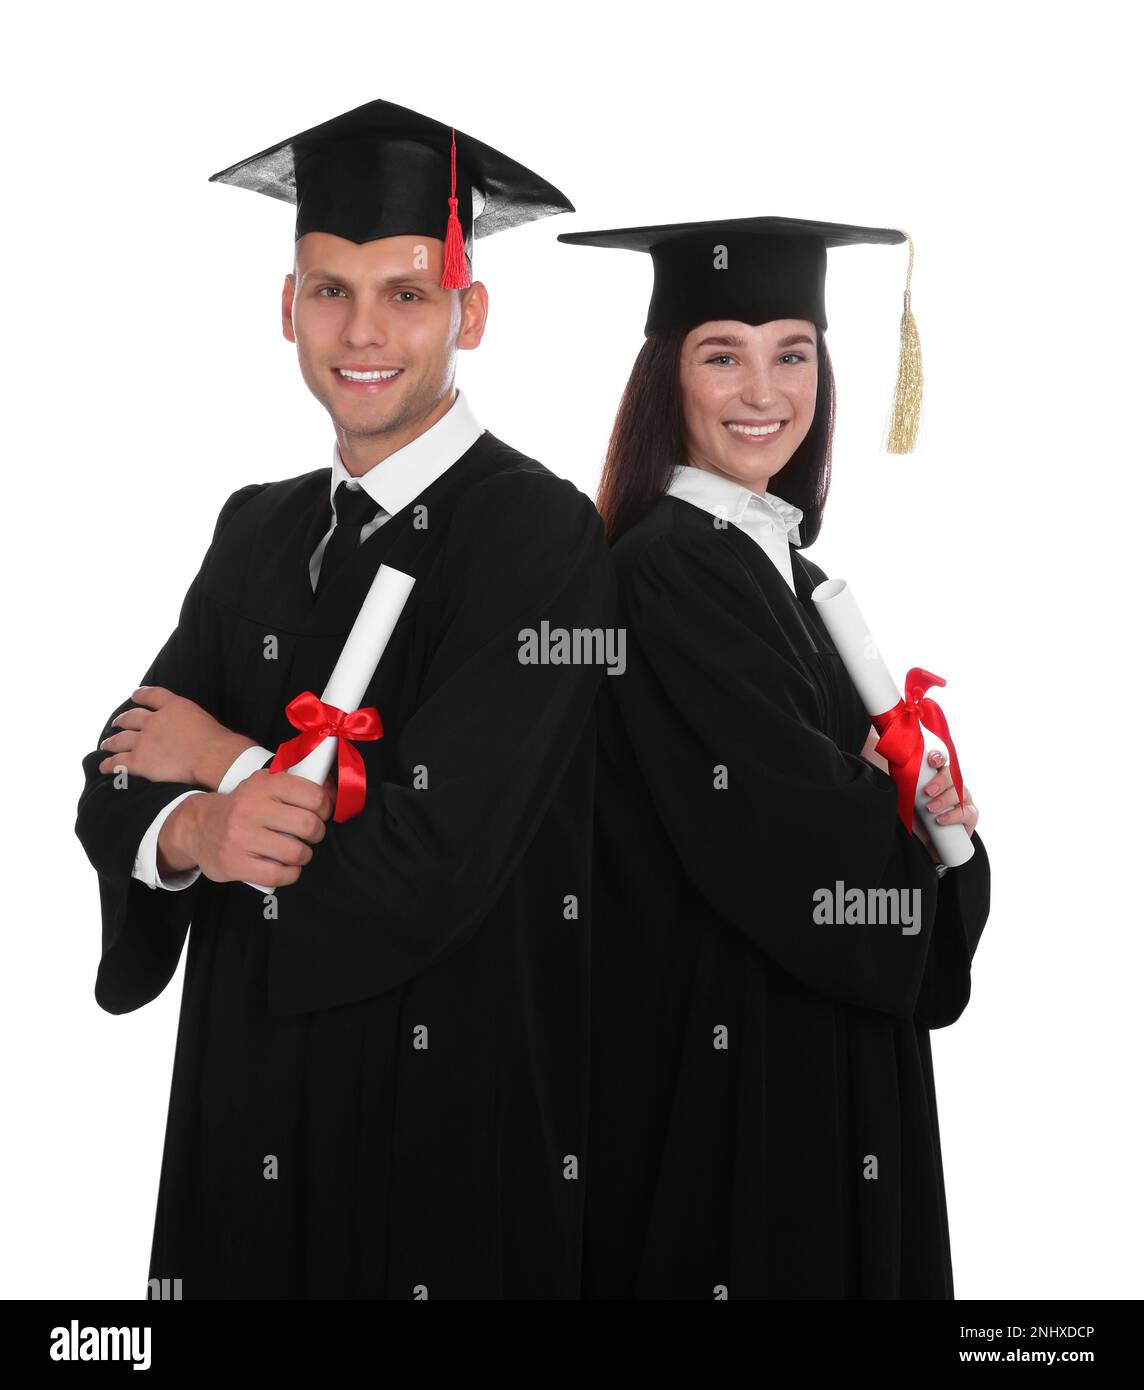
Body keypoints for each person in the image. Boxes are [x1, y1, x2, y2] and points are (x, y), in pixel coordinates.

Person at [74, 98, 615, 1299]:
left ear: (469, 312)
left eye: (406, 294)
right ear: (286, 308)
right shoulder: (257, 525)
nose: (362, 329)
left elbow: (436, 860)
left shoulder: (539, 536)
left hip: (437, 1125)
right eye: (330, 289)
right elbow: (114, 770)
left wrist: (219, 762)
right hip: (239, 1108)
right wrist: (198, 830)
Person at [557, 215, 991, 1299]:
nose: (763, 391)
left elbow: (834, 805)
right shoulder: (668, 569)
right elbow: (791, 833)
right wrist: (891, 819)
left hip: (809, 1056)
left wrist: (936, 820)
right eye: (722, 356)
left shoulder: (788, 574)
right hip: (736, 1081)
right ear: (669, 378)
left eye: (791, 352)